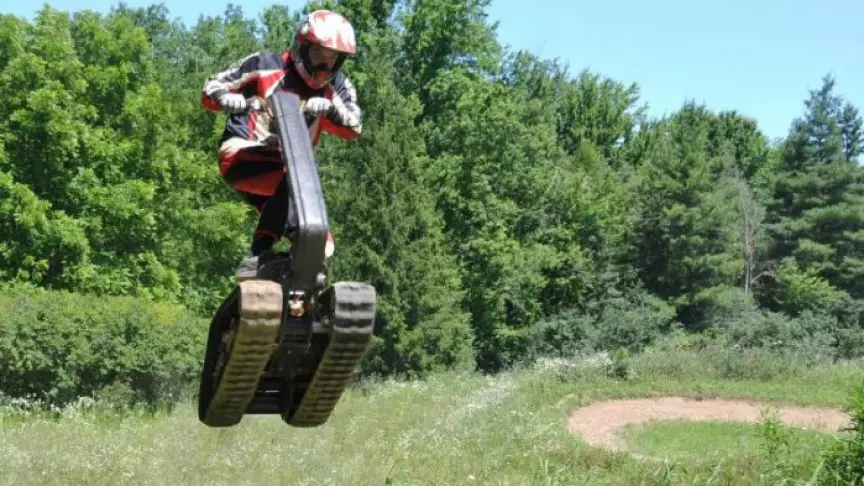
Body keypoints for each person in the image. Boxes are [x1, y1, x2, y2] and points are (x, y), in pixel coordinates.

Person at [200, 9, 362, 281]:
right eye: (319, 55)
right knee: (292, 179)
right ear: (302, 46)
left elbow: (354, 127)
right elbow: (211, 88)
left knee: (321, 243)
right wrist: (230, 99)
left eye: (333, 58)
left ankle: (288, 285)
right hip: (244, 155)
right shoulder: (265, 64)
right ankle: (259, 254)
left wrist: (331, 112)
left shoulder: (338, 85)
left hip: (294, 174)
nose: (325, 67)